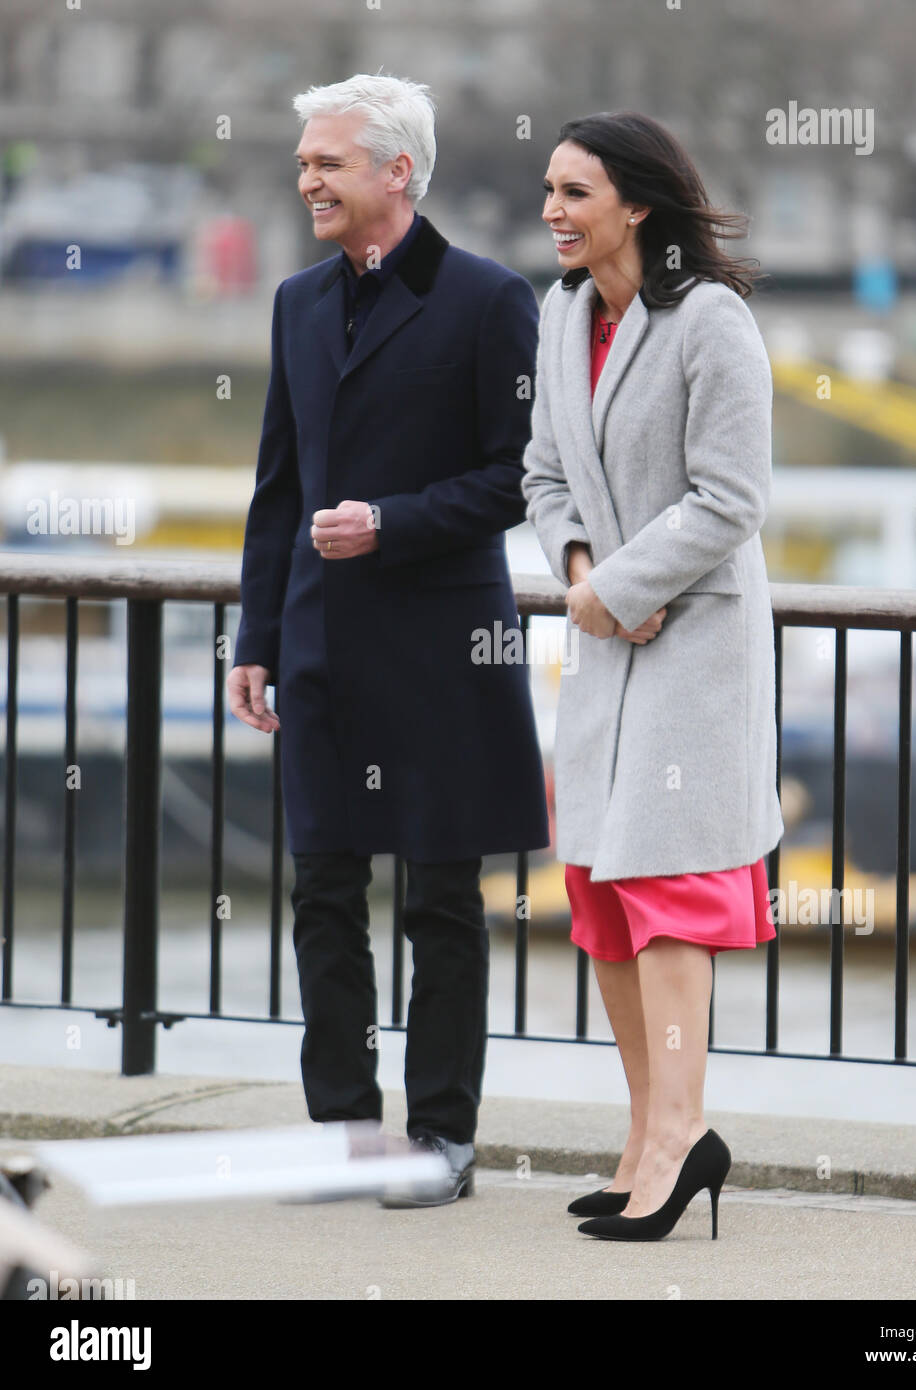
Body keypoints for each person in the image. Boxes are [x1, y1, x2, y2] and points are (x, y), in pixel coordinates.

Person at [227, 73, 549, 1206]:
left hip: (443, 646)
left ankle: (442, 1138)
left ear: (396, 172)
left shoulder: (491, 298)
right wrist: (255, 635)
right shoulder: (296, 302)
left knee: (440, 897)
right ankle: (343, 1132)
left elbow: (521, 476)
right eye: (304, 161)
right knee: (322, 889)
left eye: (327, 163)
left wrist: (393, 523)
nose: (306, 178)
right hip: (318, 649)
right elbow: (278, 487)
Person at [522, 111, 784, 1241]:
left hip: (694, 650)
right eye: (548, 189)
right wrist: (583, 568)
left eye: (574, 192)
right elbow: (542, 476)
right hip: (604, 641)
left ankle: (680, 1142)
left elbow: (732, 498)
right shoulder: (561, 312)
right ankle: (646, 1137)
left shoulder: (710, 321)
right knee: (604, 893)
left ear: (637, 204)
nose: (552, 212)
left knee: (672, 894)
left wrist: (622, 587)